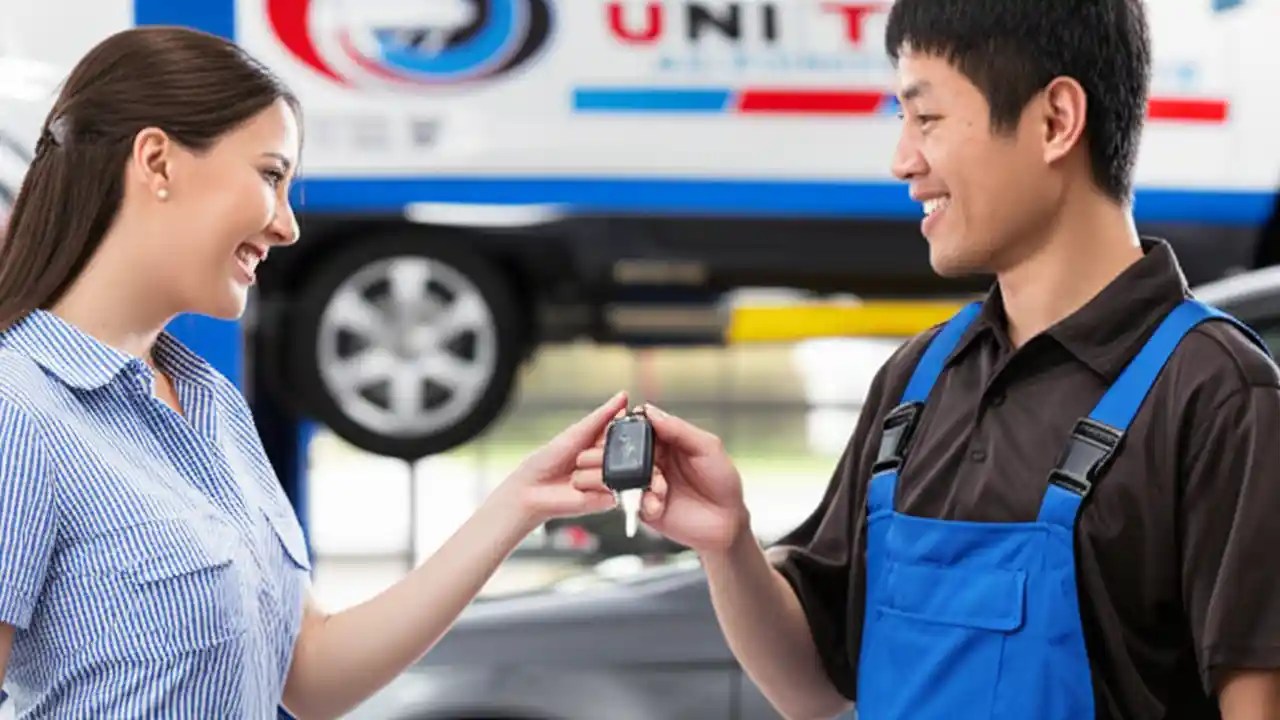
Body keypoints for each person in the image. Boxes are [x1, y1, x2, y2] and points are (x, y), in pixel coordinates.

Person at [574, 1, 1280, 718]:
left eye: (927, 117)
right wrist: (726, 545)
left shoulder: (1218, 394)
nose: (902, 159)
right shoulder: (916, 383)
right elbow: (813, 693)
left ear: (1055, 121)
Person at [0, 26, 627, 718]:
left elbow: (314, 672)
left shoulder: (209, 408)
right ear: (158, 162)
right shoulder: (17, 410)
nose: (288, 226)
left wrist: (519, 503)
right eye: (271, 175)